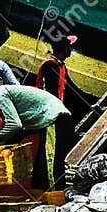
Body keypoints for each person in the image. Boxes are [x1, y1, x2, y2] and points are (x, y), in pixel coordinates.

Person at [0, 79, 71, 191]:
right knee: (40, 173)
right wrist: (8, 143)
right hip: (53, 122)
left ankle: (57, 200)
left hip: (56, 121)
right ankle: (47, 199)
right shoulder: (10, 93)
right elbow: (23, 126)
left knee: (49, 170)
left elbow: (15, 125)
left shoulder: (0, 92)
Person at [33, 34, 78, 191]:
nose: (71, 50)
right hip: (50, 113)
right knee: (49, 149)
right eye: (70, 47)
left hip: (58, 110)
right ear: (65, 49)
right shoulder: (49, 66)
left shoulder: (61, 66)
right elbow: (49, 91)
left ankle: (54, 182)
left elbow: (71, 87)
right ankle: (50, 186)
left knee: (59, 146)